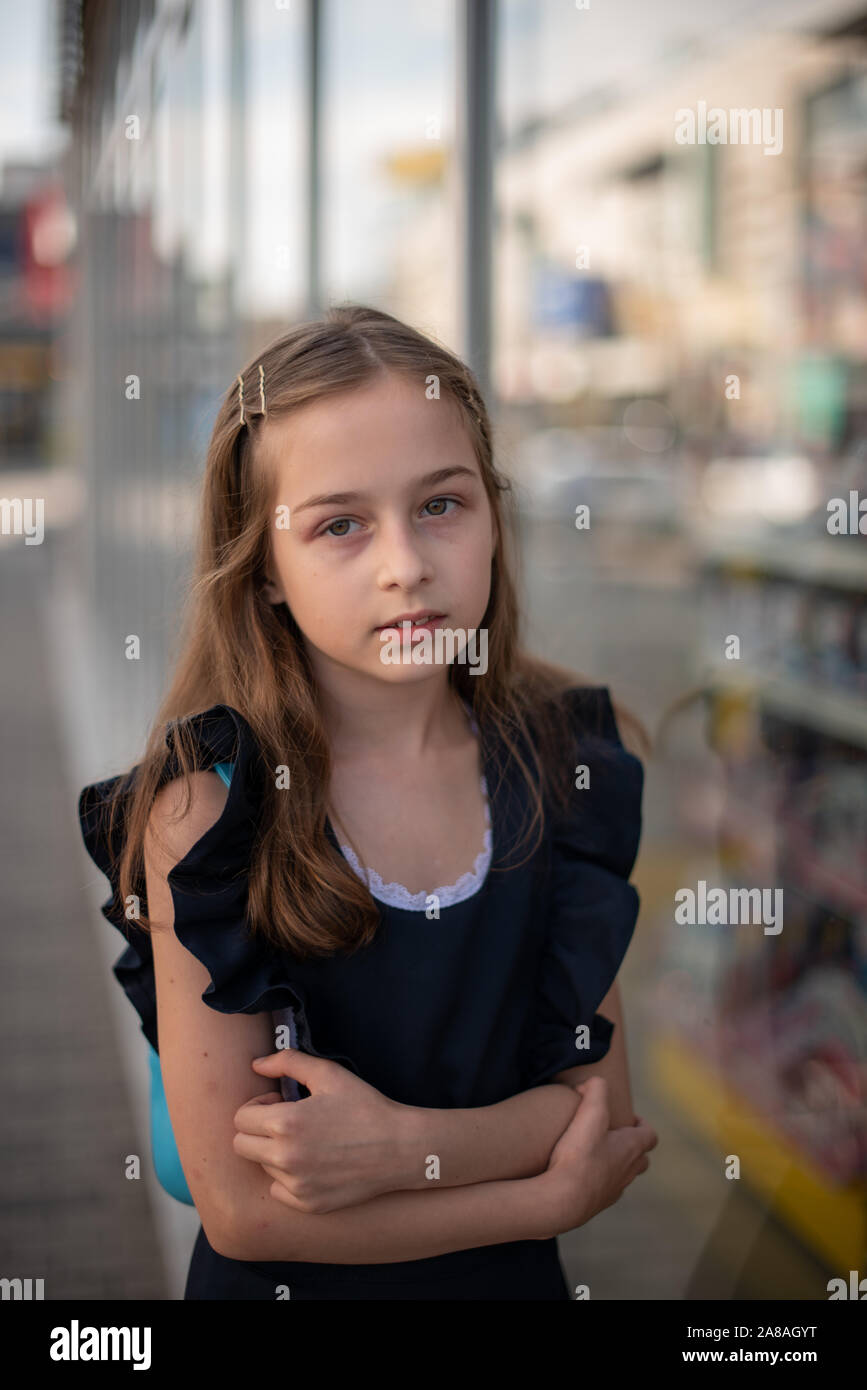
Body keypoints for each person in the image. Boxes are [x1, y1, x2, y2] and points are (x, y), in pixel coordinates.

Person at [78, 303, 658, 1300]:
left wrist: (398, 1149)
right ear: (263, 565)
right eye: (341, 524)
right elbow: (248, 1210)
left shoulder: (561, 763)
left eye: (441, 504)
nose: (406, 564)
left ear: (492, 511)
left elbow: (596, 1111)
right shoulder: (206, 817)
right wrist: (538, 1197)